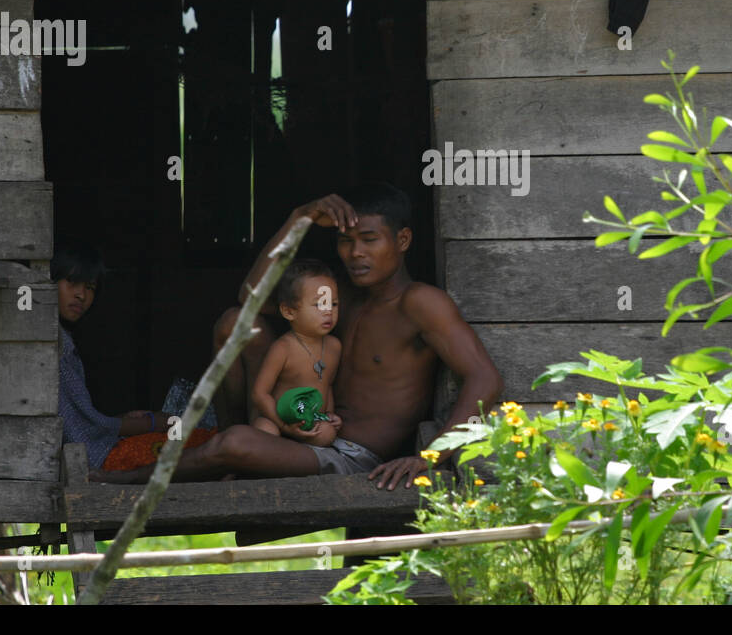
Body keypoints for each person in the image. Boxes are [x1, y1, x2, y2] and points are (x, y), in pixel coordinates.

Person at [94, 183, 504, 490]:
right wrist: (300, 218)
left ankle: (131, 480)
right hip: (294, 427)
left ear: (402, 240)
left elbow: (485, 378)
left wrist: (430, 457)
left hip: (352, 456)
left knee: (236, 443)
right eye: (345, 241)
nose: (355, 253)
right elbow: (251, 299)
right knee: (238, 322)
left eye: (369, 240)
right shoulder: (341, 295)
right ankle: (239, 445)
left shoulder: (419, 302)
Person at [53, 238, 213, 476]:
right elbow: (82, 430)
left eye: (90, 287)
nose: (81, 295)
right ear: (49, 281)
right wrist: (154, 423)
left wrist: (122, 421)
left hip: (102, 449)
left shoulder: (61, 338)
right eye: (72, 282)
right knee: (207, 445)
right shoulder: (57, 344)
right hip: (103, 459)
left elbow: (82, 420)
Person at [250, 259, 343, 447]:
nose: (328, 312)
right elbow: (260, 393)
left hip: (311, 418)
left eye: (333, 304)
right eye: (319, 304)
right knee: (264, 431)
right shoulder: (283, 348)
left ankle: (293, 458)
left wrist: (329, 414)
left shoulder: (334, 346)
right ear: (289, 311)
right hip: (278, 418)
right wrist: (283, 425)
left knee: (327, 433)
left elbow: (327, 384)